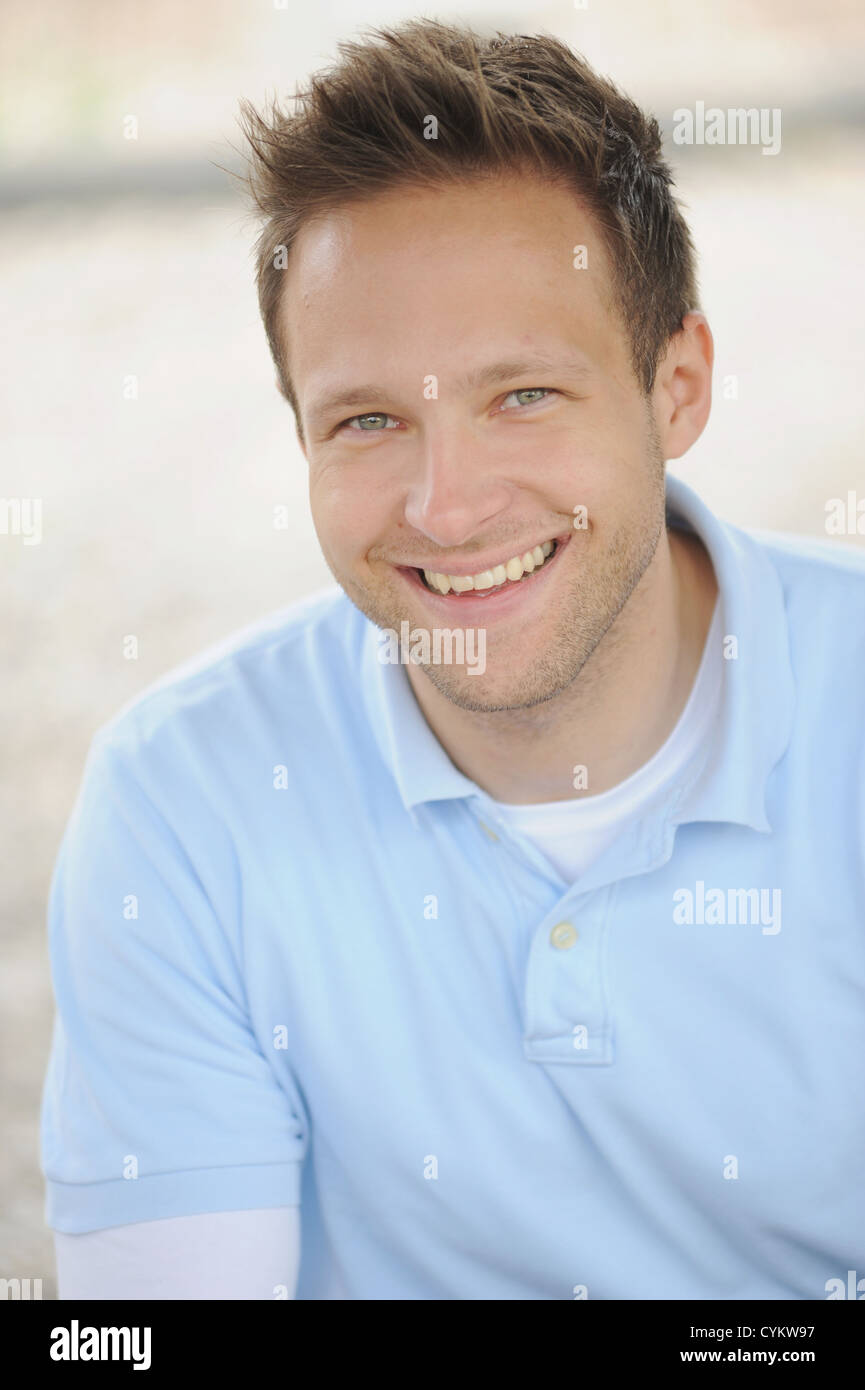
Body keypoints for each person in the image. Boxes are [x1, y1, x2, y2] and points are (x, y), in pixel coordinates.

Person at [43, 18, 865, 1300]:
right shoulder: (181, 800)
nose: (446, 505)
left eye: (520, 395)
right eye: (367, 419)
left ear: (677, 387)